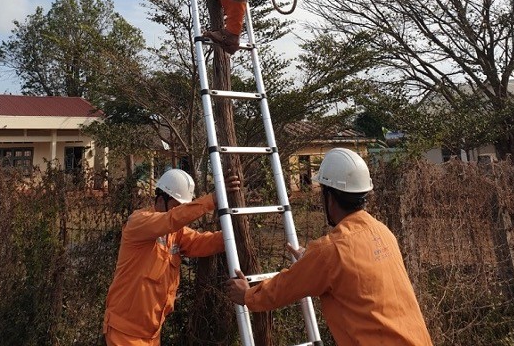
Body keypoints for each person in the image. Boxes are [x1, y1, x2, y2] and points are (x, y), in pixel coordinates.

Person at [225, 148, 433, 346]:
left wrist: (247, 295)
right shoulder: (382, 232)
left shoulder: (331, 250)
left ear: (329, 197)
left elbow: (284, 287)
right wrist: (311, 259)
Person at [104, 167, 240, 346]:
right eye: (177, 207)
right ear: (161, 200)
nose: (181, 213)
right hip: (125, 333)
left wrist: (233, 235)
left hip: (152, 335)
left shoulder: (176, 234)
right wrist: (212, 200)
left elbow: (201, 243)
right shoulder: (139, 223)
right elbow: (171, 219)